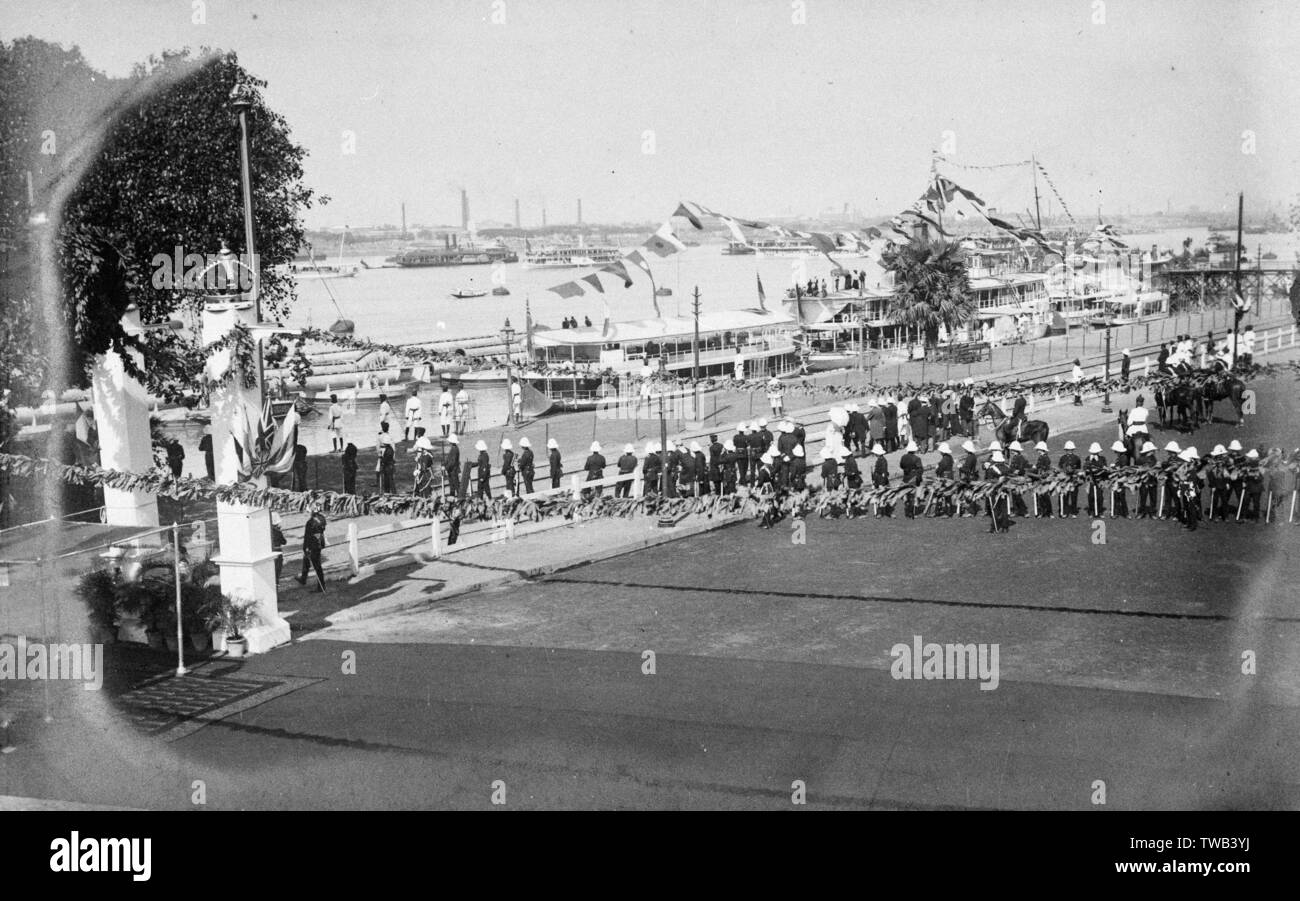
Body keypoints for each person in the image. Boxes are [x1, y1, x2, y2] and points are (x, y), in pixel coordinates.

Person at [297, 507, 328, 592]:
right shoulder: (322, 518)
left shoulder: (310, 522)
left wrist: (305, 548)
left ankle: (321, 586)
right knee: (306, 560)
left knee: (317, 565)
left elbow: (307, 537)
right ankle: (303, 578)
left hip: (313, 545)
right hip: (320, 542)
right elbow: (322, 529)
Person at [985, 450, 1012, 533]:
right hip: (1005, 490)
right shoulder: (1007, 467)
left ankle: (994, 527)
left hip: (995, 490)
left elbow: (990, 480)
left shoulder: (992, 469)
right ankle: (1005, 526)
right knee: (1004, 509)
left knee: (995, 509)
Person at [900, 440, 923, 518]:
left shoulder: (903, 457)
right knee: (912, 496)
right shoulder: (917, 459)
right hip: (913, 478)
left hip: (906, 477)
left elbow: (901, 466)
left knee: (907, 494)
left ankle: (907, 508)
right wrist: (919, 478)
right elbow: (920, 469)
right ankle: (911, 512)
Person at [1058, 440, 1081, 518]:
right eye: (1068, 449)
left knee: (1074, 496)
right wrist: (1064, 471)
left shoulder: (1077, 458)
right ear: (1066, 450)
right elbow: (1060, 467)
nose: (1069, 450)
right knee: (1065, 496)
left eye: (1070, 449)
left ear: (1073, 449)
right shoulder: (1063, 458)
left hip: (1073, 479)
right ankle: (1065, 511)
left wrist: (1074, 471)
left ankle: (1074, 512)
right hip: (1065, 479)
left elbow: (1078, 468)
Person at [1084, 442, 1107, 518]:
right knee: (1091, 496)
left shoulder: (1102, 459)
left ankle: (1100, 512)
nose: (1095, 453)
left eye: (1096, 452)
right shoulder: (1088, 458)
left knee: (1100, 497)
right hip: (1091, 481)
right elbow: (1085, 468)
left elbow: (1104, 468)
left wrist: (1098, 462)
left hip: (1100, 481)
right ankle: (1091, 511)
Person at [1007, 441, 1029, 516]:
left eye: (1012, 450)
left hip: (1019, 478)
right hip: (1014, 478)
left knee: (1017, 495)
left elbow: (1020, 469)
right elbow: (1011, 468)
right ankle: (1016, 511)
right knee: (1014, 495)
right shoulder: (1014, 457)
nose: (1011, 451)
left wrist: (1014, 471)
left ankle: (1024, 511)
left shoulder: (1020, 458)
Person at [1110, 440, 1130, 518]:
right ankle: (1117, 512)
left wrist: (1115, 468)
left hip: (1121, 479)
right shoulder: (1120, 457)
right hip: (1118, 478)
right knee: (1116, 496)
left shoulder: (1123, 458)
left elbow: (1123, 469)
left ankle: (1125, 513)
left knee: (1121, 497)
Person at [1033, 441, 1052, 518]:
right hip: (1039, 477)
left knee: (1045, 496)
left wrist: (1043, 473)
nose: (1037, 451)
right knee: (1040, 496)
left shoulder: (1046, 458)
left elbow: (1047, 468)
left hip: (1045, 478)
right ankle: (1042, 512)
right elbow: (1038, 466)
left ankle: (1049, 512)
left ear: (1042, 449)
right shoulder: (1040, 457)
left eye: (1038, 449)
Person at [375, 421, 394, 491]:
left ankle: (378, 482)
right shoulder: (389, 436)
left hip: (383, 451)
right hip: (389, 451)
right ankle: (384, 482)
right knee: (387, 467)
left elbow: (377, 446)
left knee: (379, 468)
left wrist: (379, 454)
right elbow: (393, 446)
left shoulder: (380, 436)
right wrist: (393, 456)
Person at [270, 512, 286, 582]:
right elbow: (284, 542)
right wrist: (280, 531)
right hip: (278, 551)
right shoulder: (277, 531)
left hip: (270, 550)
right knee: (277, 569)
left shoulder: (268, 531)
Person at [444, 433, 461, 498]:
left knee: (456, 485)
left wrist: (446, 467)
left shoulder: (454, 449)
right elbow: (449, 459)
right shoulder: (453, 448)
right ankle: (452, 498)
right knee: (452, 485)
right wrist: (444, 464)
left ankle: (460, 497)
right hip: (451, 470)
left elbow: (452, 461)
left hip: (453, 470)